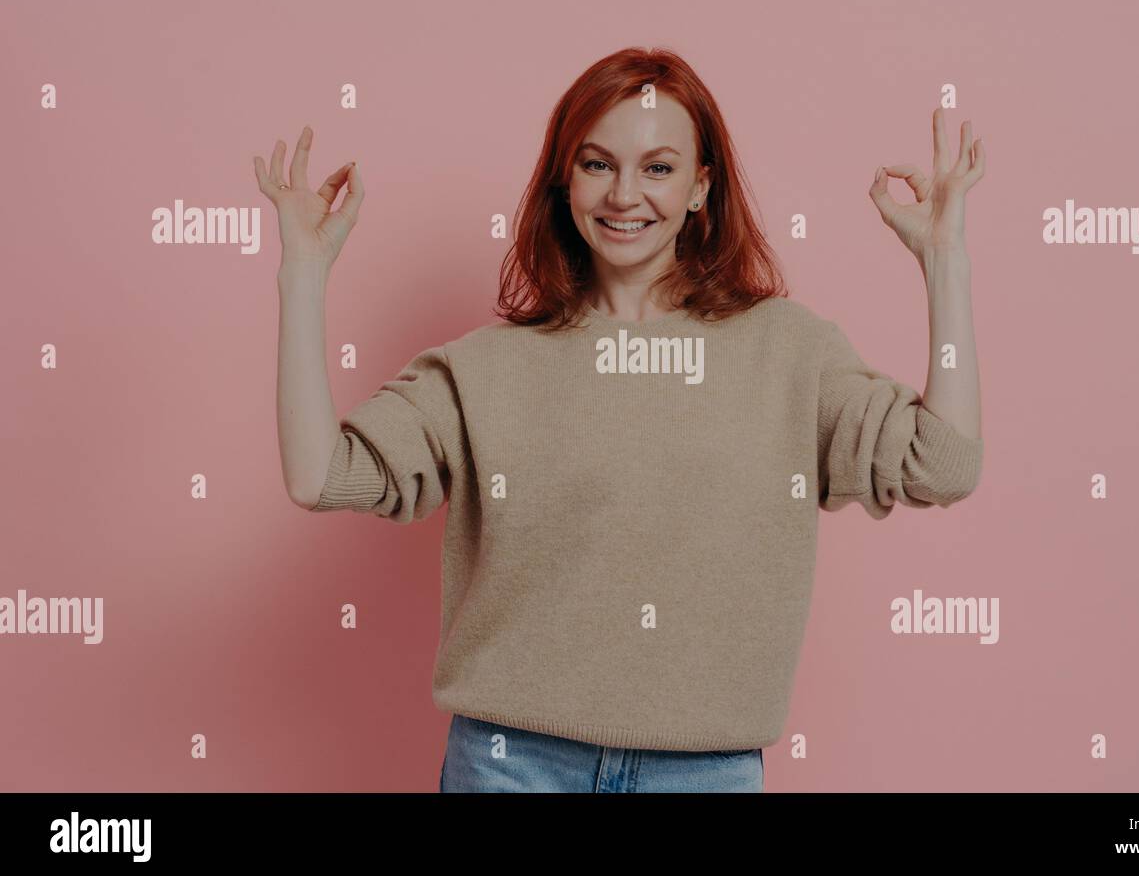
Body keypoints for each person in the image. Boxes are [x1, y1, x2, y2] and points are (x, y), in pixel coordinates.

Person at [256, 47, 986, 793]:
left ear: (703, 186)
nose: (624, 194)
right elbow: (320, 476)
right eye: (598, 164)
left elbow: (946, 463)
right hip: (513, 766)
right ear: (564, 180)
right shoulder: (486, 369)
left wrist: (944, 259)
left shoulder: (789, 353)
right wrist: (303, 273)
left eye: (659, 168)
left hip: (706, 773)